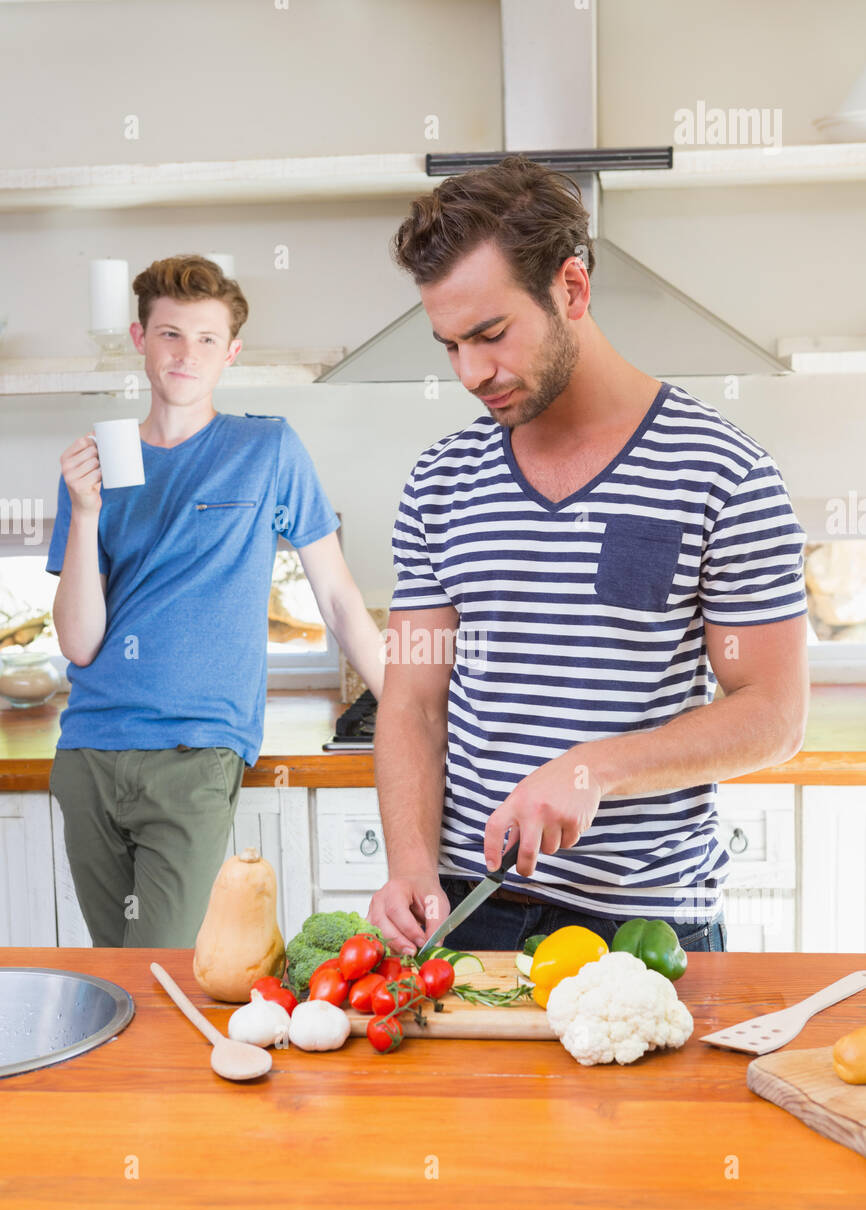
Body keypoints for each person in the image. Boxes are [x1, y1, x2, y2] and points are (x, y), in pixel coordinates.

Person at [366, 155, 809, 958]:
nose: (471, 373)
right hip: (470, 911)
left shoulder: (723, 471)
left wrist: (594, 769)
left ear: (572, 288)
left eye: (491, 335)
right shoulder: (441, 482)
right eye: (450, 345)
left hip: (644, 925)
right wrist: (409, 866)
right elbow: (413, 702)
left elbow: (774, 713)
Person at [47, 254, 384, 948]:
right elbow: (79, 643)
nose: (185, 354)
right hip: (88, 754)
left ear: (231, 353)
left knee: (163, 963)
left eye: (205, 339)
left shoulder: (266, 448)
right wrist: (85, 512)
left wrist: (411, 714)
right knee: (120, 977)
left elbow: (341, 600)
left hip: (196, 751)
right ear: (141, 341)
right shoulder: (97, 466)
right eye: (169, 334)